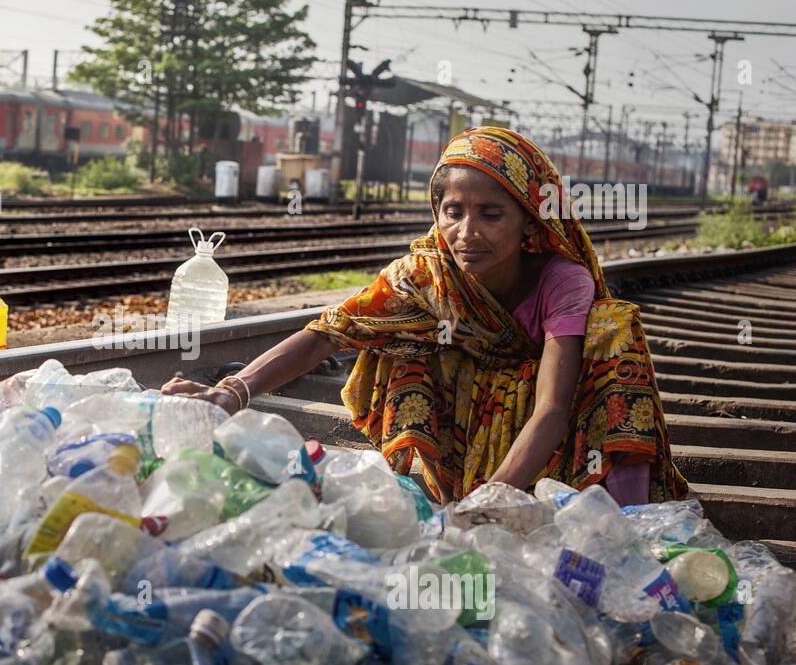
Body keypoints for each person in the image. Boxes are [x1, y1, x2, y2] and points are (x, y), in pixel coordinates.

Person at [162, 126, 689, 507]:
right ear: (436, 214)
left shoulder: (561, 280)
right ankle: (441, 491)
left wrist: (498, 497)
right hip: (472, 424)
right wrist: (229, 393)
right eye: (453, 212)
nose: (467, 232)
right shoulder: (424, 275)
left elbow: (552, 407)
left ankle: (624, 518)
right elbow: (328, 332)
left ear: (529, 223)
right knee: (404, 340)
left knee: (614, 327)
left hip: (550, 431)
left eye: (491, 215)